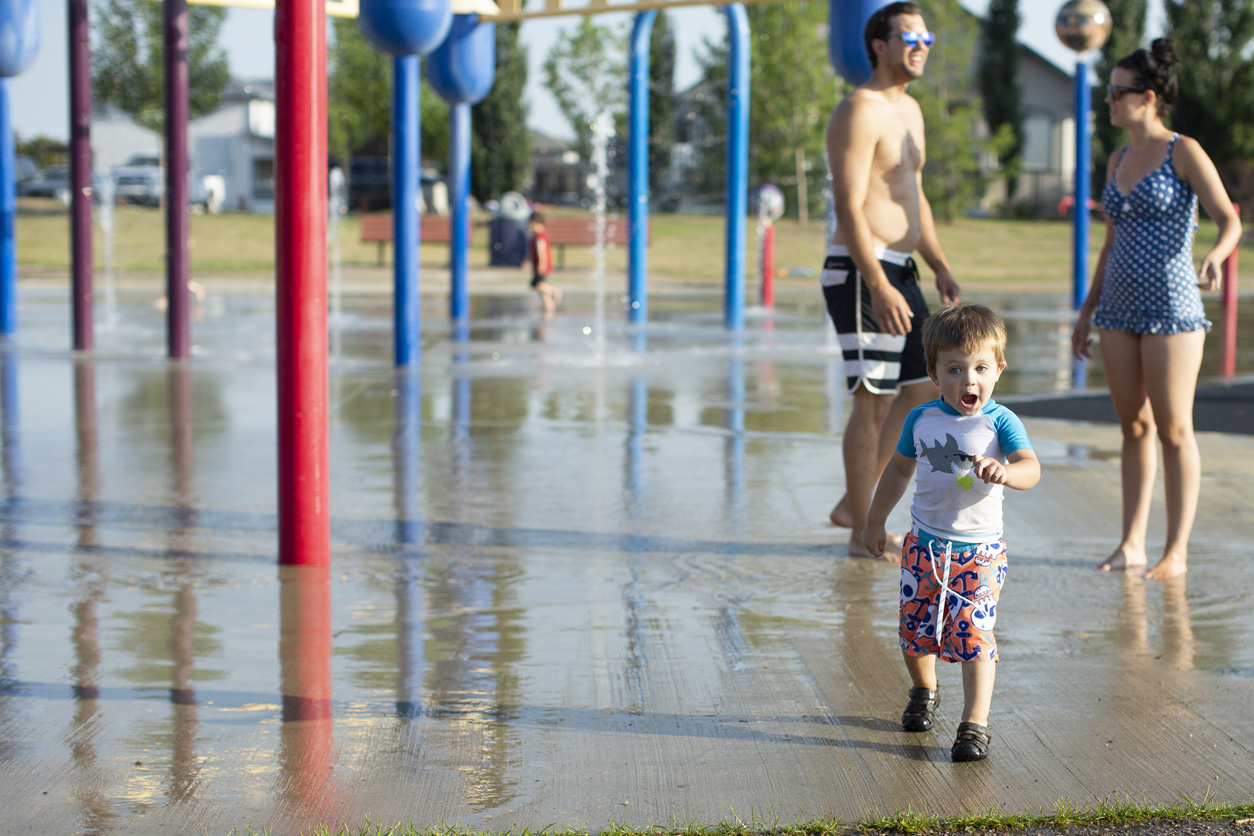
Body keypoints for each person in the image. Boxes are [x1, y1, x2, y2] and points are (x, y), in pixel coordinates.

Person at [1071, 39, 1241, 581]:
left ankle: (1177, 552)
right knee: (1132, 426)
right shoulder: (1118, 157)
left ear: (1147, 98)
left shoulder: (1182, 151)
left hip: (1173, 306)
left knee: (1173, 429)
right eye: (1107, 92)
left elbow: (1229, 219)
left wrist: (1215, 254)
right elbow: (1109, 241)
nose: (1109, 101)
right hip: (1118, 307)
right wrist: (1087, 308)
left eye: (1117, 93)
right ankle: (1131, 543)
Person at [863, 304, 1040, 762]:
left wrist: (1006, 471)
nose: (969, 381)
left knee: (974, 635)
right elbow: (898, 470)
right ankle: (924, 688)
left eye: (980, 368)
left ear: (999, 370)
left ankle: (974, 724)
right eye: (955, 369)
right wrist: (875, 520)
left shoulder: (1000, 421)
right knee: (914, 629)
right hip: (923, 546)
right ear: (934, 373)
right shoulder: (921, 419)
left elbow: (1031, 469)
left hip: (978, 553)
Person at [822, 1, 961, 557]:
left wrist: (939, 262)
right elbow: (850, 205)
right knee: (872, 399)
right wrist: (876, 282)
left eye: (926, 36)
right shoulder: (859, 109)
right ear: (878, 45)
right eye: (910, 35)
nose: (921, 45)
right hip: (863, 271)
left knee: (924, 389)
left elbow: (913, 198)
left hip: (901, 268)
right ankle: (862, 531)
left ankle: (853, 505)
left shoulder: (911, 112)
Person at [528, 212, 562, 316]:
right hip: (540, 265)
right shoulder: (540, 235)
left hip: (541, 266)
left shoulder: (539, 236)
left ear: (535, 223)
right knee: (542, 292)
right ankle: (549, 307)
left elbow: (541, 251)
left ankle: (554, 291)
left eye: (530, 224)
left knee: (535, 284)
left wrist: (541, 265)